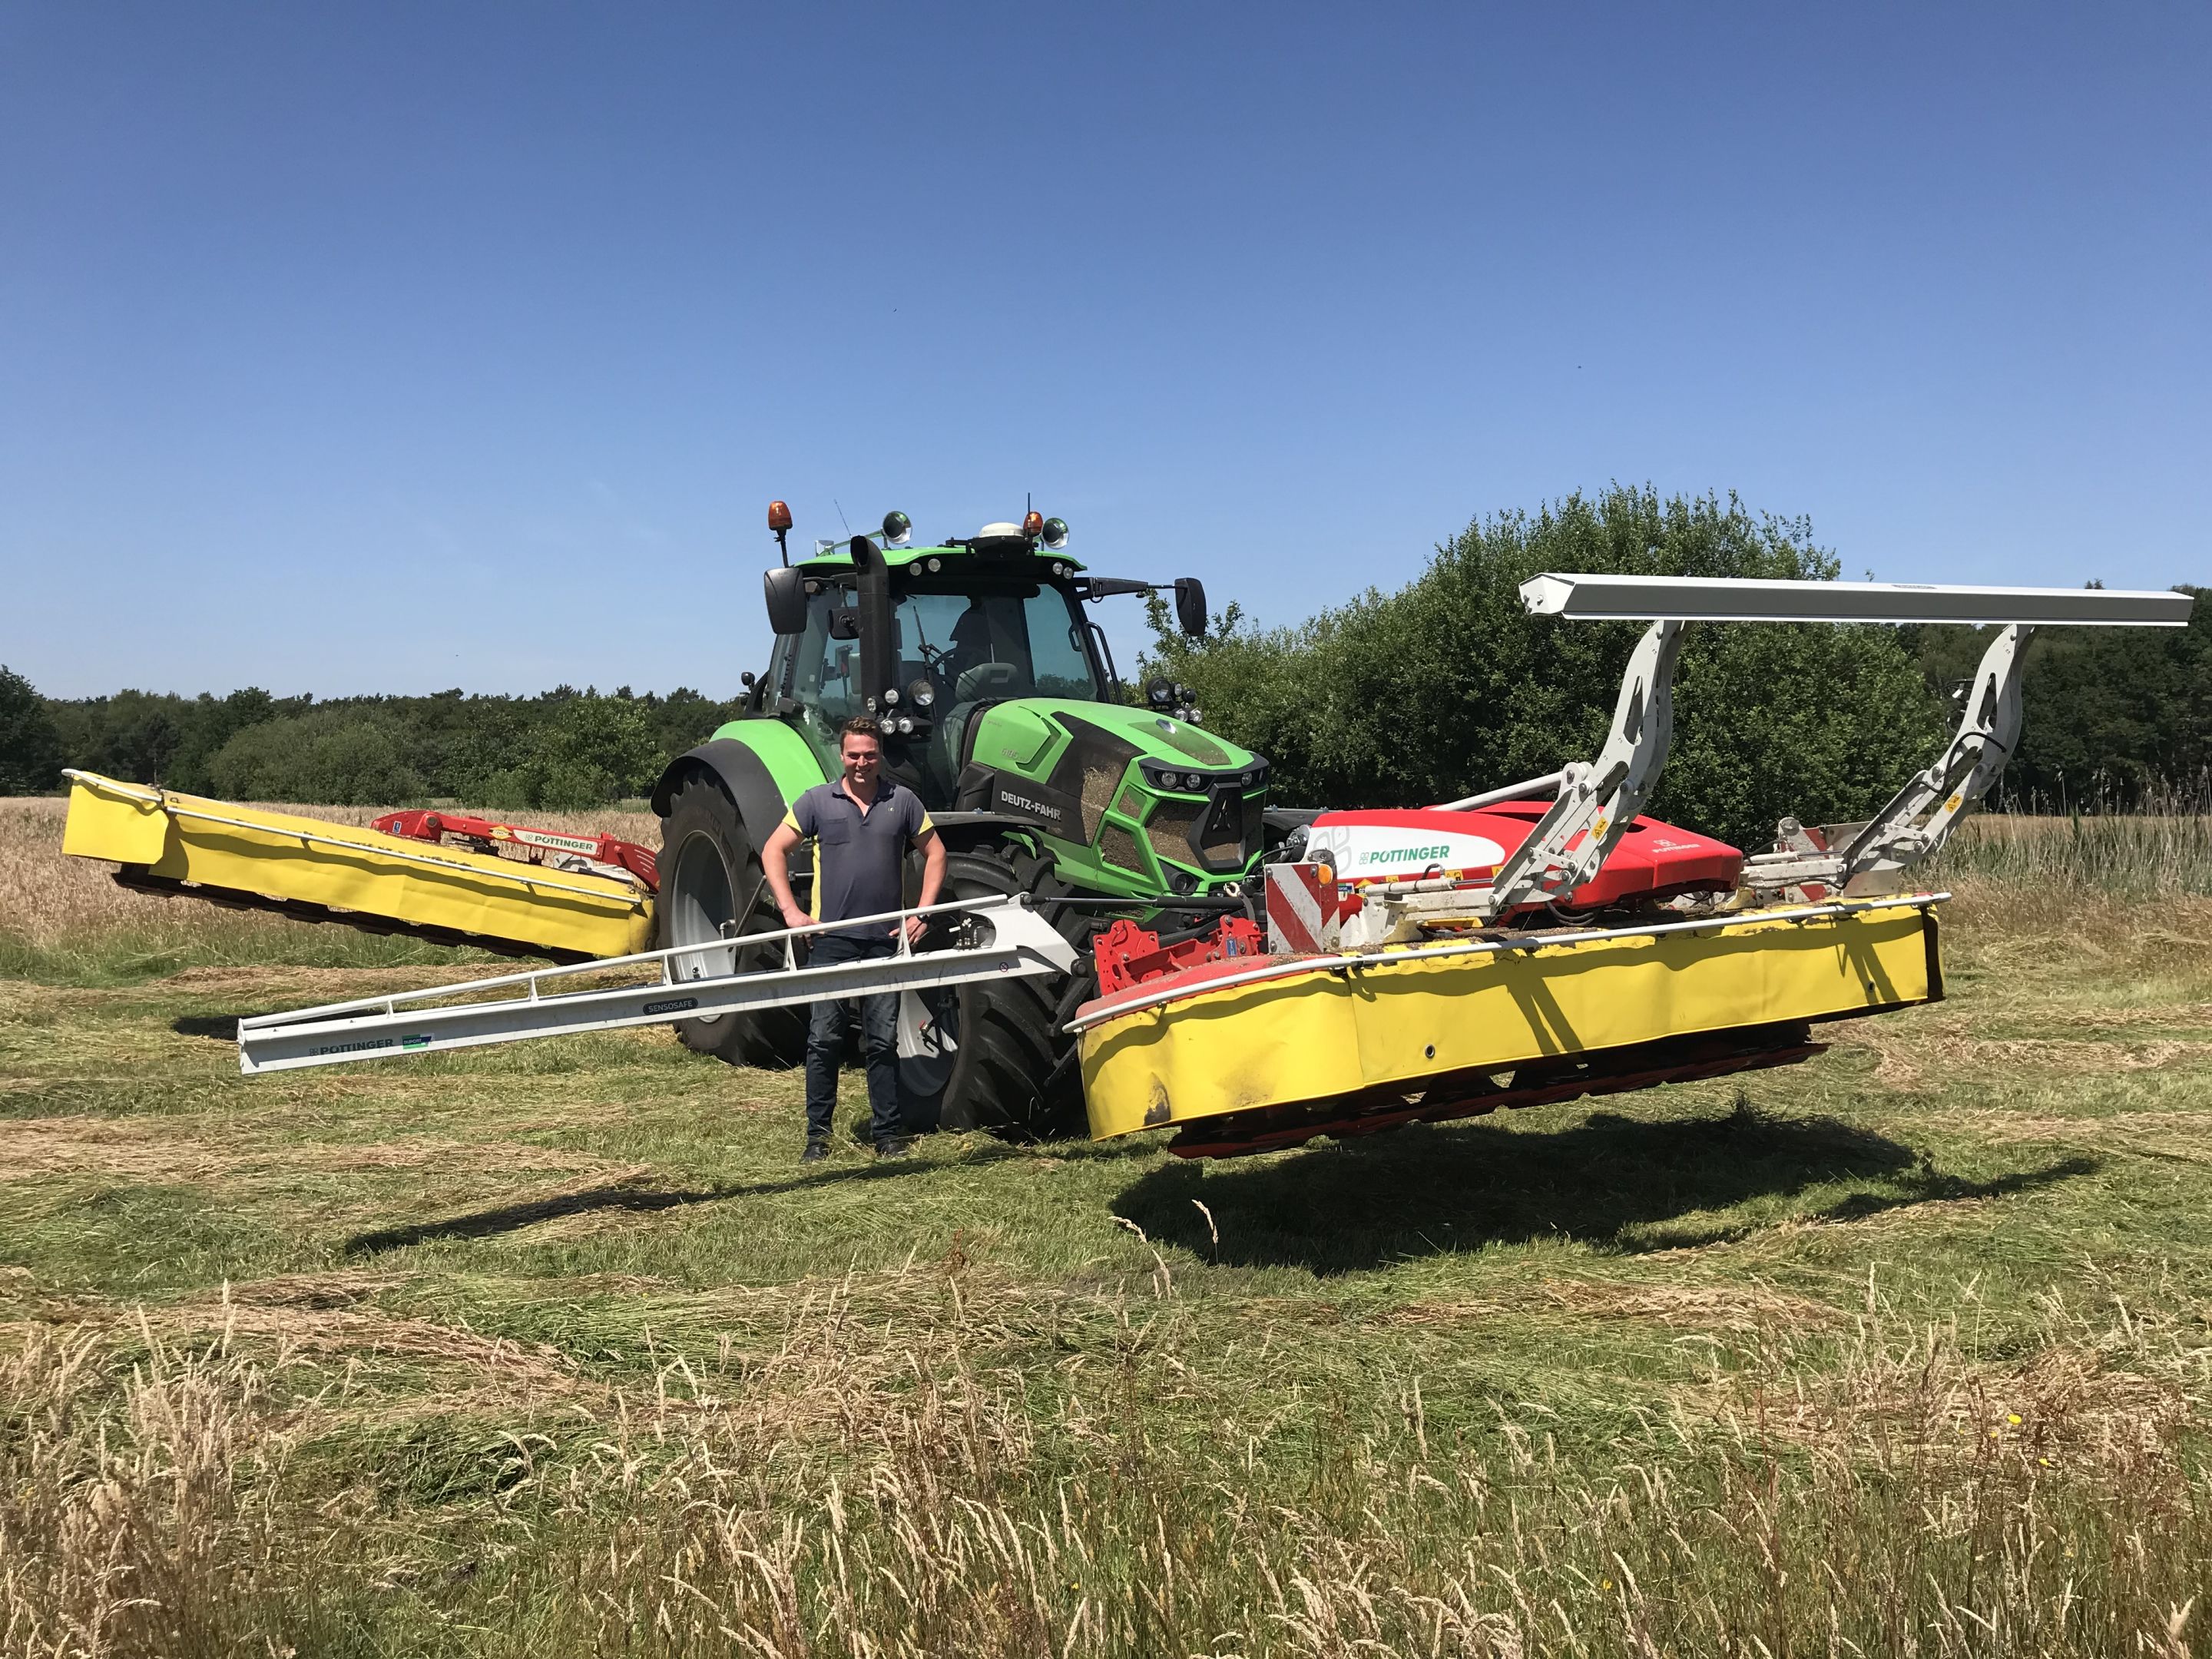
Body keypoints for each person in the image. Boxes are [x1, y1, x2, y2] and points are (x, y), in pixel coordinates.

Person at [761, 717, 945, 1163]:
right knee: (824, 1038)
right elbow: (773, 850)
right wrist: (791, 912)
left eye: (869, 754)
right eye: (853, 755)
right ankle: (818, 1137)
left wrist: (921, 913)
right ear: (841, 756)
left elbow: (936, 853)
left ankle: (886, 1134)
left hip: (883, 940)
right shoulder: (816, 802)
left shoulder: (902, 802)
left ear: (880, 755)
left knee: (882, 1041)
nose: (862, 763)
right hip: (831, 941)